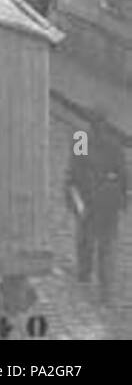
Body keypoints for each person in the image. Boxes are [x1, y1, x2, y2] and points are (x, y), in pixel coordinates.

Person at [65, 108, 127, 301]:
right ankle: (102, 286)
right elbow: (123, 177)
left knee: (91, 241)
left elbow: (75, 172)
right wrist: (122, 199)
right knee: (101, 244)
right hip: (102, 202)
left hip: (94, 201)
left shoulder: (84, 140)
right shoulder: (112, 144)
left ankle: (93, 279)